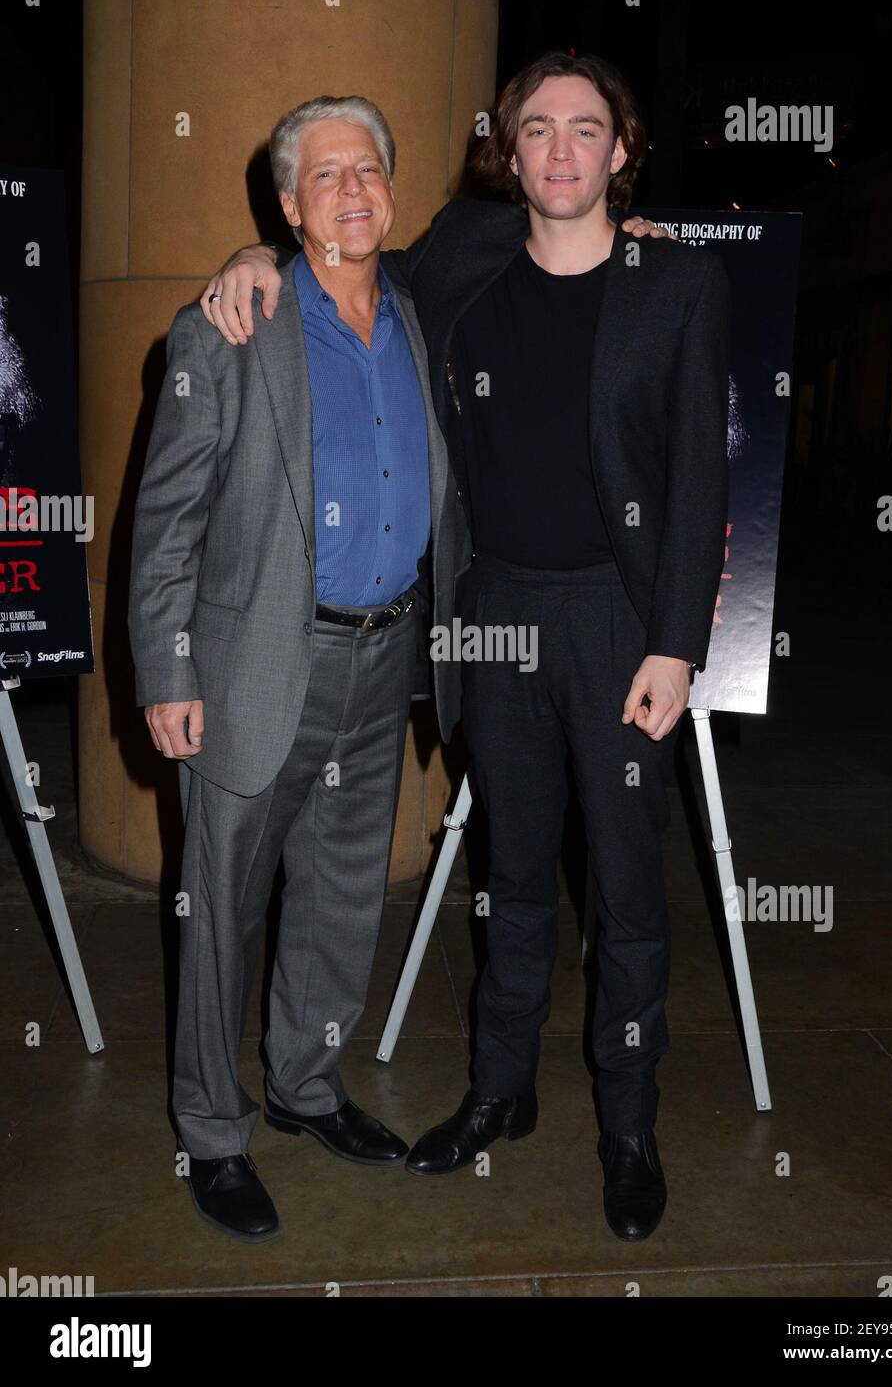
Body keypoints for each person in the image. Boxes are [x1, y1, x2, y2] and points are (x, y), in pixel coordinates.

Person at [200, 51, 729, 1242]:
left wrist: (674, 642)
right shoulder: (465, 255)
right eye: (534, 129)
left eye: (583, 131)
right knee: (512, 876)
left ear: (620, 151)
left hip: (620, 626)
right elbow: (334, 259)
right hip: (491, 614)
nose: (556, 151)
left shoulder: (677, 283)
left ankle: (630, 1125)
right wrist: (247, 259)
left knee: (631, 895)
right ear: (509, 150)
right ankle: (499, 1091)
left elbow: (699, 476)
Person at [128, 95, 474, 1242]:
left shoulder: (420, 319)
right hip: (252, 664)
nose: (352, 190)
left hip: (382, 665)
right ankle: (210, 1129)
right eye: (324, 176)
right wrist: (166, 668)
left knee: (336, 901)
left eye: (368, 168)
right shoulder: (227, 326)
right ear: (285, 205)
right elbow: (164, 516)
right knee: (220, 908)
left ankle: (306, 1087)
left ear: (392, 185)